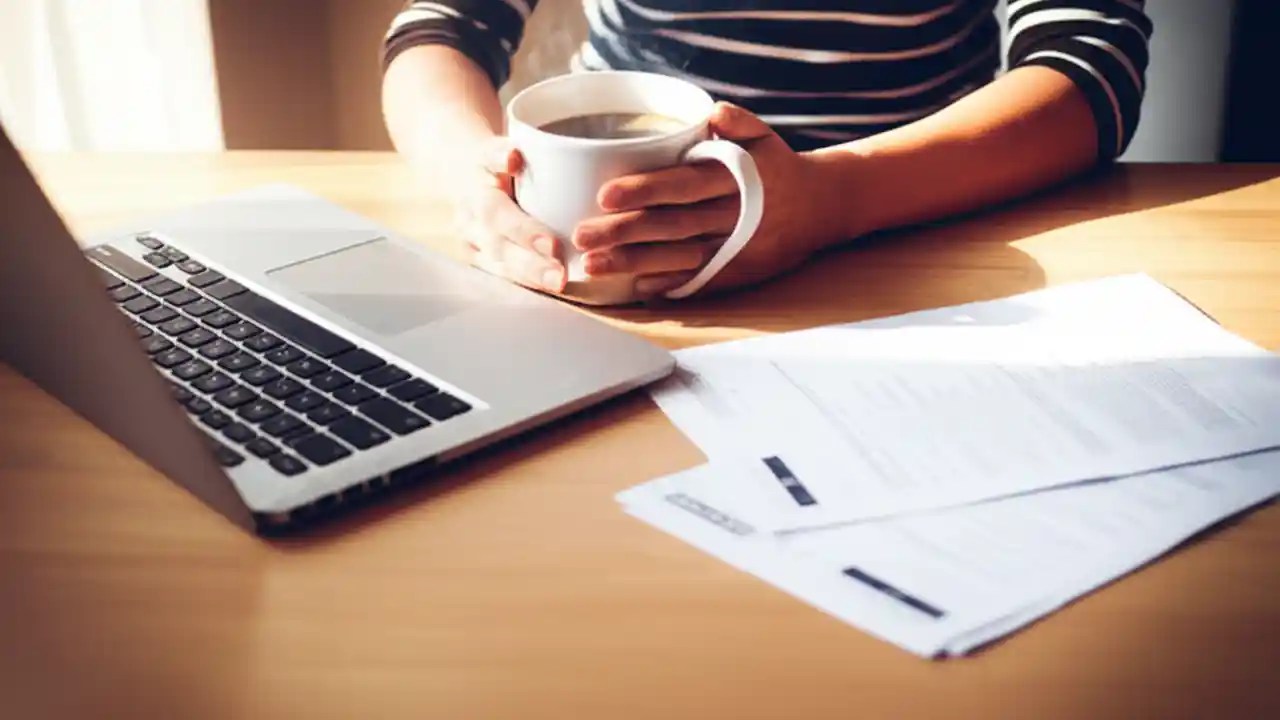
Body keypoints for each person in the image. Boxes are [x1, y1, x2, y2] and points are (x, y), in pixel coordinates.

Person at [381, 1, 1152, 299]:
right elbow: (439, 28)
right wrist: (469, 178)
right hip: (607, 284)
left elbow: (1089, 69)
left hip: (922, 242)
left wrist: (838, 198)